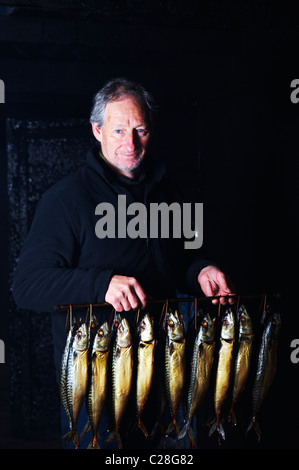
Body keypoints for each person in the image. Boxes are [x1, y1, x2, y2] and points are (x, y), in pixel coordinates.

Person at [12, 77, 235, 449]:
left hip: (168, 369)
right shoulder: (66, 200)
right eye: (118, 130)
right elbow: (27, 286)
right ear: (97, 131)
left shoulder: (173, 194)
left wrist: (202, 269)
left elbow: (184, 258)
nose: (130, 144)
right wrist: (101, 284)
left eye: (140, 130)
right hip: (97, 378)